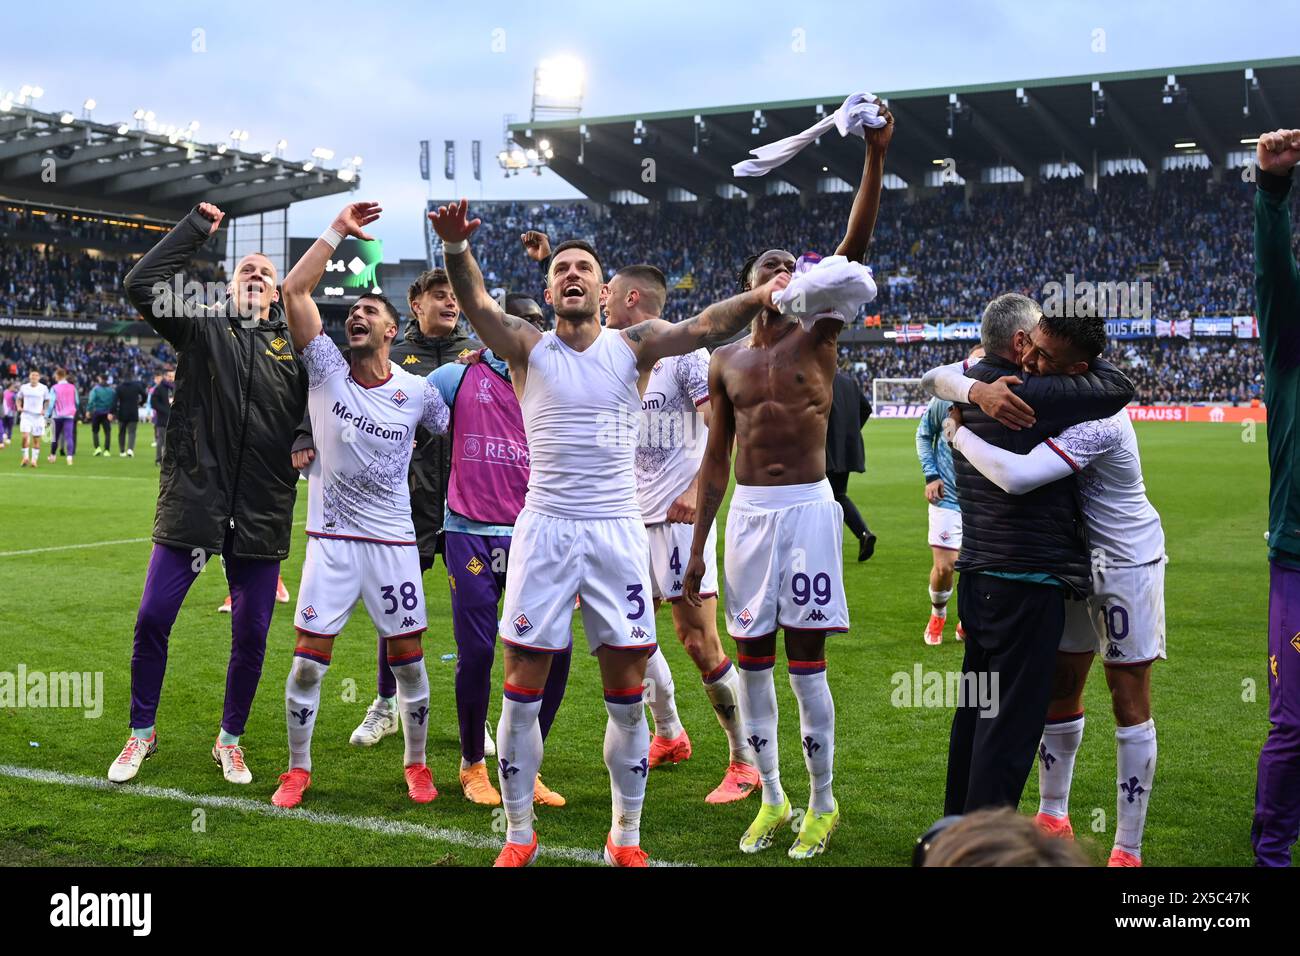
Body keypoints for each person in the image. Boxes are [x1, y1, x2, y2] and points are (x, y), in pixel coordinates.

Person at [429, 197, 789, 867]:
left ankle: (626, 837)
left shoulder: (637, 345)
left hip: (617, 533)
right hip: (543, 530)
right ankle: (517, 836)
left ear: (603, 289)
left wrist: (760, 295)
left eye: (583, 268)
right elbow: (476, 304)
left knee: (627, 699)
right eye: (561, 267)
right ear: (548, 287)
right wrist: (455, 249)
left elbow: (706, 323)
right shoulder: (526, 346)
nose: (571, 274)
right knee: (520, 690)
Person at [683, 101, 893, 860]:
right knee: (753, 662)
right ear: (748, 287)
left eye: (789, 266)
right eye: (767, 268)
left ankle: (823, 802)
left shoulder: (820, 331)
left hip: (807, 509)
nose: (781, 272)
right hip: (747, 517)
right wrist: (698, 547)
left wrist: (873, 156)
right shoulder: (726, 361)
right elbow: (714, 459)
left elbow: (855, 242)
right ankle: (772, 797)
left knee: (806, 663)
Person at [947, 315, 1165, 868]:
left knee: (1127, 697)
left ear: (1078, 369)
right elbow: (952, 372)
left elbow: (1019, 476)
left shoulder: (1101, 415)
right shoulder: (1055, 393)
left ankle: (1127, 848)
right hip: (1072, 563)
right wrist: (965, 388)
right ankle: (1052, 812)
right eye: (1031, 347)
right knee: (1061, 688)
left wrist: (959, 432)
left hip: (1125, 562)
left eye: (1045, 357)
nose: (1031, 361)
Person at [107, 201, 308, 786]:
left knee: (250, 635)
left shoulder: (294, 347)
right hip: (194, 501)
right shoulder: (200, 327)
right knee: (152, 618)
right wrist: (195, 229)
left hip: (262, 508)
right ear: (228, 283)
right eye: (246, 268)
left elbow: (324, 404)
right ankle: (141, 734)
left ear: (277, 294)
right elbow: (139, 282)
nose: (254, 274)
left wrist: (302, 432)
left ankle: (231, 740)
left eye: (265, 273)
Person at [919, 297, 1134, 817]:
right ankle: (983, 846)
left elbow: (935, 375)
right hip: (1027, 583)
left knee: (973, 712)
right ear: (1020, 342)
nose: (1039, 352)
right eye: (1035, 339)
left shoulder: (967, 381)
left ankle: (953, 830)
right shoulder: (1040, 392)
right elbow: (1119, 388)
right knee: (1011, 728)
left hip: (976, 579)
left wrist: (967, 394)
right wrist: (1077, 356)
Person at [269, 201, 450, 809]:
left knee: (410, 669)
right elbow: (294, 289)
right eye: (351, 312)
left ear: (393, 329)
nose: (355, 316)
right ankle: (298, 770)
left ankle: (417, 765)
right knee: (307, 669)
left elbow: (450, 434)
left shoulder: (418, 392)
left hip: (396, 545)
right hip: (332, 543)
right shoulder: (326, 373)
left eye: (369, 310)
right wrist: (336, 232)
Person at [291, 267, 484, 745]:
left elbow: (472, 418)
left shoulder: (474, 355)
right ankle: (383, 703)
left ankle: (472, 717)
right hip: (406, 508)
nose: (451, 303)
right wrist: (302, 433)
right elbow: (321, 399)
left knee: (472, 609)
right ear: (414, 307)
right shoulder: (381, 356)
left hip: (462, 504)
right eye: (440, 295)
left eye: (454, 295)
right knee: (396, 619)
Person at [600, 259, 759, 804]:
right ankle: (669, 732)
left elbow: (721, 430)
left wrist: (694, 489)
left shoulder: (687, 358)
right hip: (623, 520)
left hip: (675, 520)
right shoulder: (613, 360)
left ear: (632, 300)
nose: (601, 299)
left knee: (696, 640)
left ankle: (745, 759)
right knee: (626, 635)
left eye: (609, 292)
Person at [427, 296, 569, 807]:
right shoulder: (455, 377)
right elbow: (398, 409)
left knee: (554, 651)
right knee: (480, 651)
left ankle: (526, 765)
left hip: (537, 533)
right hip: (469, 532)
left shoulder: (554, 379)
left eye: (535, 323)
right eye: (517, 322)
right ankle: (471, 763)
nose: (528, 331)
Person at [1252, 126, 1300, 867]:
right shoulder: (1291, 338)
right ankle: (1270, 854)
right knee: (1294, 723)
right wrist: (1271, 192)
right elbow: (1273, 274)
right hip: (1299, 556)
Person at [914, 345, 984, 645]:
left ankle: (967, 621)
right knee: (945, 567)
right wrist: (931, 475)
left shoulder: (1004, 403)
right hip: (948, 496)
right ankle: (938, 612)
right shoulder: (945, 401)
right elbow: (923, 434)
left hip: (984, 500)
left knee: (979, 568)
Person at [827, 368, 876, 561]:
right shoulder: (849, 383)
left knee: (820, 498)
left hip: (824, 450)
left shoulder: (817, 379)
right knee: (838, 495)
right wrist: (850, 432)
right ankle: (863, 533)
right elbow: (866, 408)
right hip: (845, 450)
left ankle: (827, 545)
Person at [16, 370, 48, 469]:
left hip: (38, 417)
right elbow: (18, 398)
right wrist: (18, 407)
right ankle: (25, 458)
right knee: (25, 437)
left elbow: (47, 400)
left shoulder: (43, 388)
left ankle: (34, 461)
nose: (34, 377)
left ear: (39, 377)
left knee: (36, 440)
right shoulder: (24, 387)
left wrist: (44, 409)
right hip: (26, 415)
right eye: (32, 375)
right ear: (29, 377)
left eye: (36, 375)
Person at [47, 368, 78, 465]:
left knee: (55, 437)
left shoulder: (54, 388)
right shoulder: (73, 387)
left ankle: (52, 456)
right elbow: (77, 401)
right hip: (69, 415)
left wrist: (47, 416)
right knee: (69, 436)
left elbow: (51, 403)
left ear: (58, 376)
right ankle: (69, 457)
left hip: (58, 415)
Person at [114, 375, 145, 457]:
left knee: (121, 432)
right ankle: (130, 449)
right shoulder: (136, 386)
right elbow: (145, 394)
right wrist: (141, 403)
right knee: (132, 432)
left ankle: (122, 451)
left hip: (122, 412)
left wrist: (112, 412)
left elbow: (114, 400)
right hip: (133, 412)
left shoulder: (119, 387)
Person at [87, 374, 115, 455]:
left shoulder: (96, 389)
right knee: (107, 432)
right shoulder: (111, 390)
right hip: (107, 413)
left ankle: (97, 448)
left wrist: (88, 410)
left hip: (97, 412)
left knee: (95, 431)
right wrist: (112, 412)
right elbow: (114, 402)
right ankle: (107, 450)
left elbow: (91, 400)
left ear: (100, 379)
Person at [151, 369, 174, 466]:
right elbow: (154, 403)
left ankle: (171, 459)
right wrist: (165, 411)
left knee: (173, 440)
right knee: (161, 440)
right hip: (163, 419)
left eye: (172, 376)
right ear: (165, 376)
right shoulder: (159, 388)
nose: (171, 378)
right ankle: (159, 459)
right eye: (169, 376)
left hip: (175, 419)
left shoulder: (176, 387)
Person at [1, 379, 14, 448]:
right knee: (4, 424)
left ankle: (9, 438)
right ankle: (5, 435)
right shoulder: (5, 392)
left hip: (11, 411)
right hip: (4, 411)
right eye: (12, 387)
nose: (13, 388)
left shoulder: (14, 394)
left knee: (10, 425)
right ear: (9, 386)